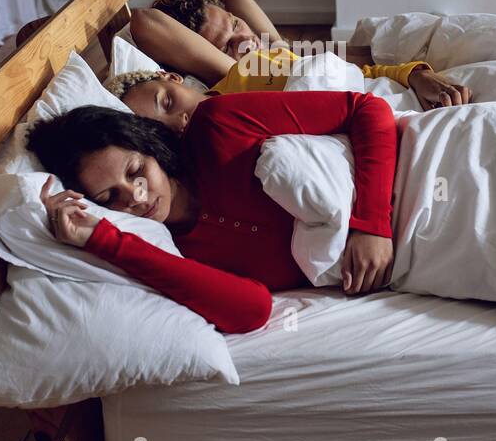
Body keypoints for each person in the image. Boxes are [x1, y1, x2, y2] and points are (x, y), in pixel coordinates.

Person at [26, 89, 398, 333]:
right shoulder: (175, 253)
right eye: (110, 198)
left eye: (137, 172)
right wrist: (104, 241)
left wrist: (372, 224)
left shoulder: (219, 125)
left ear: (150, 147)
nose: (135, 199)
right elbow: (252, 310)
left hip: (412, 168)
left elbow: (367, 108)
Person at [129, 0, 471, 108]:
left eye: (235, 24)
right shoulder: (228, 75)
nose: (243, 41)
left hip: (380, 75)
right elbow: (145, 22)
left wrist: (417, 73)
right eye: (226, 46)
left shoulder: (273, 50)